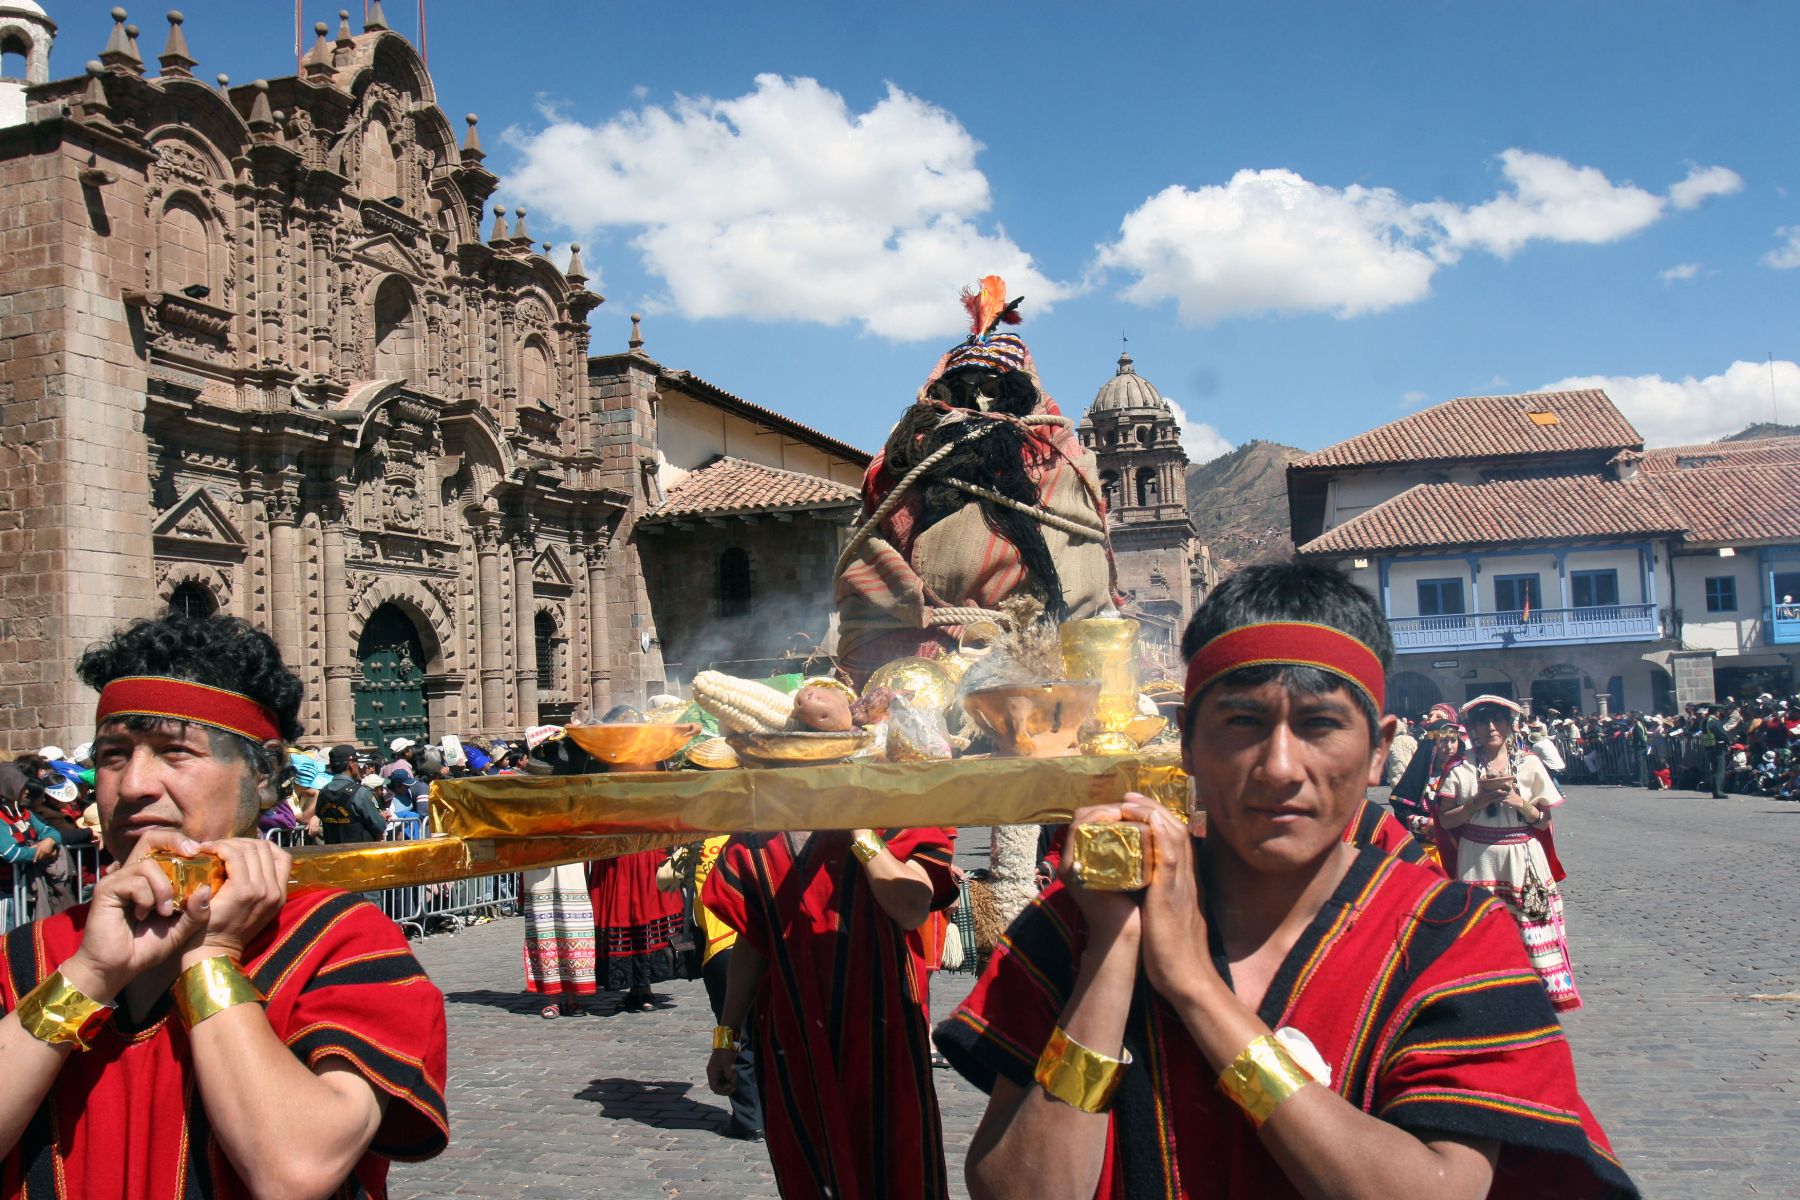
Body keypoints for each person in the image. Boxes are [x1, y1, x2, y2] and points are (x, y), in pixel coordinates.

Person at [940, 563, 1632, 1199]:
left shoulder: (1449, 938)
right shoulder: (1075, 924)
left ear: (1378, 750)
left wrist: (1195, 987)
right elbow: (1017, 1190)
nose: (1278, 766)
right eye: (1241, 723)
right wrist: (1111, 956)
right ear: (1187, 744)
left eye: (1319, 724)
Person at [0, 610, 447, 1198]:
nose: (133, 785)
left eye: (174, 752)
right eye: (112, 755)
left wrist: (211, 955)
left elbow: (295, 1173)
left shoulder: (340, 943)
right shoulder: (33, 954)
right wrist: (91, 974)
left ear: (263, 778)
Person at [703, 821, 958, 1198]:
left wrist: (858, 828)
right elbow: (754, 940)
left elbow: (911, 908)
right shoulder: (757, 837)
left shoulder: (898, 820)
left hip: (883, 1036)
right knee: (806, 1175)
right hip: (792, 1036)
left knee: (897, 1172)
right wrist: (726, 1037)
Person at [1437, 695, 1582, 1012]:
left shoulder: (1529, 764)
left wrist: (1518, 803)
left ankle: (1537, 994)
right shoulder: (1461, 769)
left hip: (1523, 855)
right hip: (1479, 858)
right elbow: (1445, 819)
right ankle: (1485, 996)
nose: (1490, 728)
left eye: (1497, 720)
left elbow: (1544, 821)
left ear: (1509, 724)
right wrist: (1478, 802)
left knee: (1531, 920)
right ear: (1472, 728)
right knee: (1480, 925)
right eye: (1482, 722)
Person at [689, 835, 763, 1140]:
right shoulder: (755, 838)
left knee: (732, 1031)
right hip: (761, 941)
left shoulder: (699, 846)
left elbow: (663, 881)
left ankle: (749, 1119)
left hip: (721, 950)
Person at [316, 745, 387, 844]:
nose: (357, 765)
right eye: (356, 762)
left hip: (332, 854)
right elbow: (379, 825)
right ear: (351, 764)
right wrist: (381, 818)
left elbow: (320, 815)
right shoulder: (361, 793)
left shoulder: (323, 792)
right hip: (358, 854)